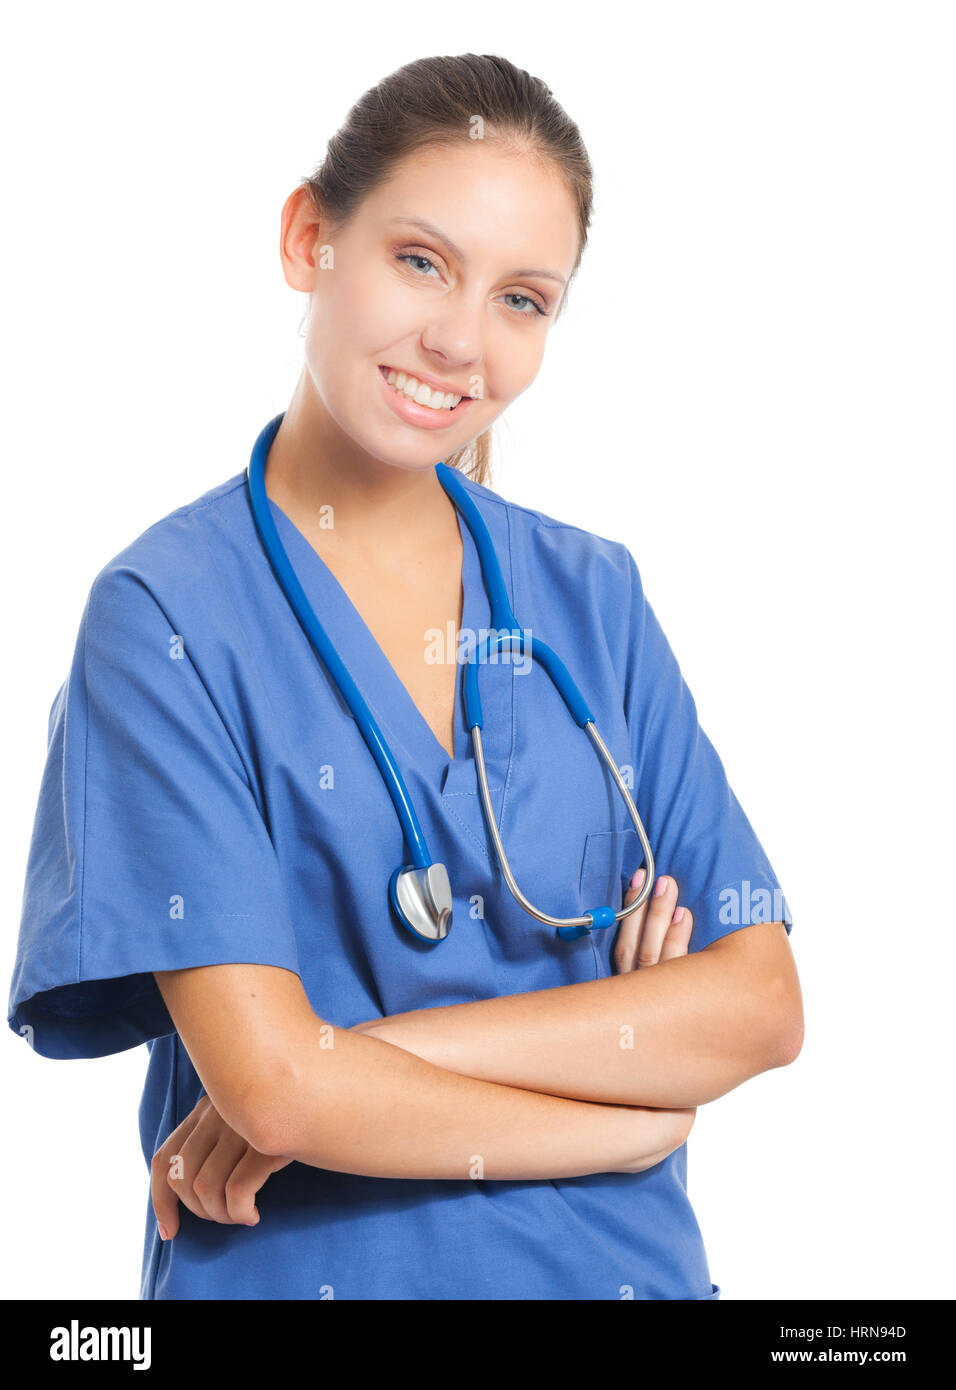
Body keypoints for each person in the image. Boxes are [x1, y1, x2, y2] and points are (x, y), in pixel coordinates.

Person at [7, 53, 801, 1301]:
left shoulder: (592, 596)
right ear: (308, 237)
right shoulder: (164, 617)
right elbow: (270, 1087)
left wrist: (361, 1059)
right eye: (420, 260)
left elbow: (759, 1004)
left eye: (522, 298)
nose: (458, 339)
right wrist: (633, 1110)